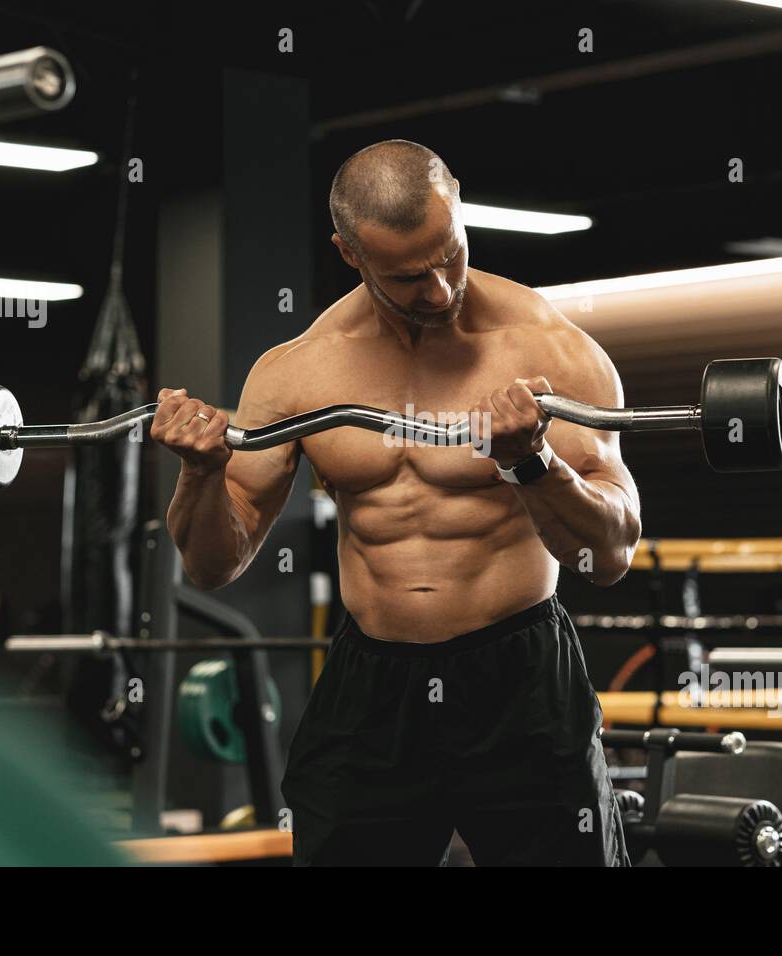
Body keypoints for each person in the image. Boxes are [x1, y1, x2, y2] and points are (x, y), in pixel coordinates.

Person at [153, 139, 641, 866]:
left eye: (451, 254)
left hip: (520, 675)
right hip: (372, 682)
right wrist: (200, 473)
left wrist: (531, 464)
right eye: (408, 276)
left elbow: (611, 554)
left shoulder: (549, 350)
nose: (440, 290)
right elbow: (212, 568)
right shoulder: (299, 371)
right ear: (349, 254)